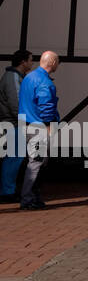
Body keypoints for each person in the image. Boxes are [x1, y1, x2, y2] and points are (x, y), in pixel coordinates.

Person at [18, 51, 60, 210]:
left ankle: (33, 197)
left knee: (34, 162)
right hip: (39, 127)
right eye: (58, 62)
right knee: (36, 164)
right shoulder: (45, 82)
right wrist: (49, 126)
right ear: (53, 63)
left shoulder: (29, 77)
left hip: (26, 124)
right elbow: (46, 107)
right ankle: (29, 199)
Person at [1, 49, 34, 202]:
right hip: (13, 123)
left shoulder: (17, 77)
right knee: (14, 157)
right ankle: (7, 192)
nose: (31, 63)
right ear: (23, 62)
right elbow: (16, 103)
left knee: (14, 157)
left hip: (13, 122)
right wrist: (26, 121)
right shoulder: (13, 78)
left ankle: (8, 189)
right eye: (30, 60)